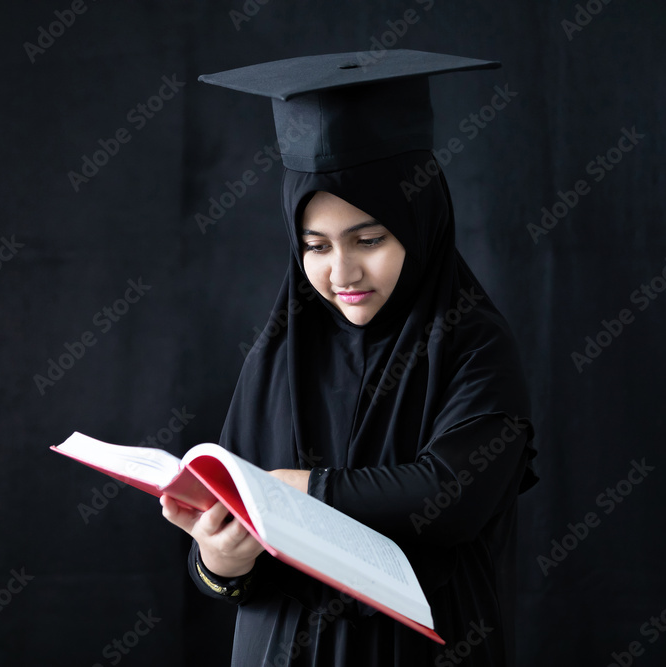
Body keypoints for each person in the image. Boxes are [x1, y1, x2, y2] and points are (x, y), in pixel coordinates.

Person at [161, 50, 539, 666]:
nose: (343, 273)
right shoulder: (279, 358)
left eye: (370, 240)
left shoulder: (473, 344)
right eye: (315, 247)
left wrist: (295, 490)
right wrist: (219, 560)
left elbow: (450, 494)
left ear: (422, 224)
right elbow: (225, 564)